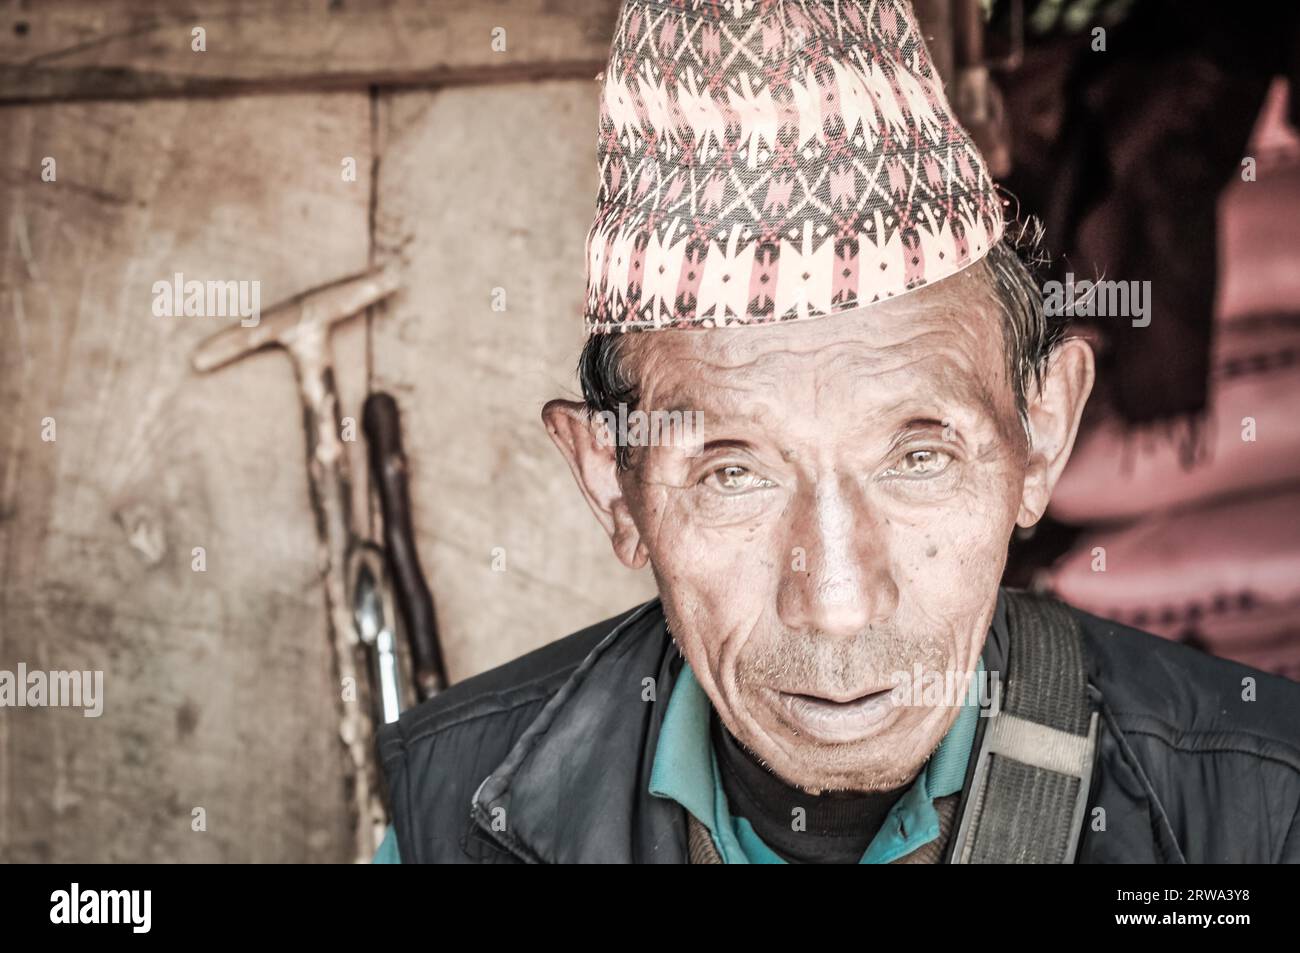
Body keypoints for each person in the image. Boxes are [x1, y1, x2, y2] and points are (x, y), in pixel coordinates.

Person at [374, 0, 1300, 863]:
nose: (838, 601)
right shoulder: (454, 814)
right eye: (733, 474)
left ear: (1043, 433)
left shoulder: (1255, 806)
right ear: (614, 483)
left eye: (919, 458)